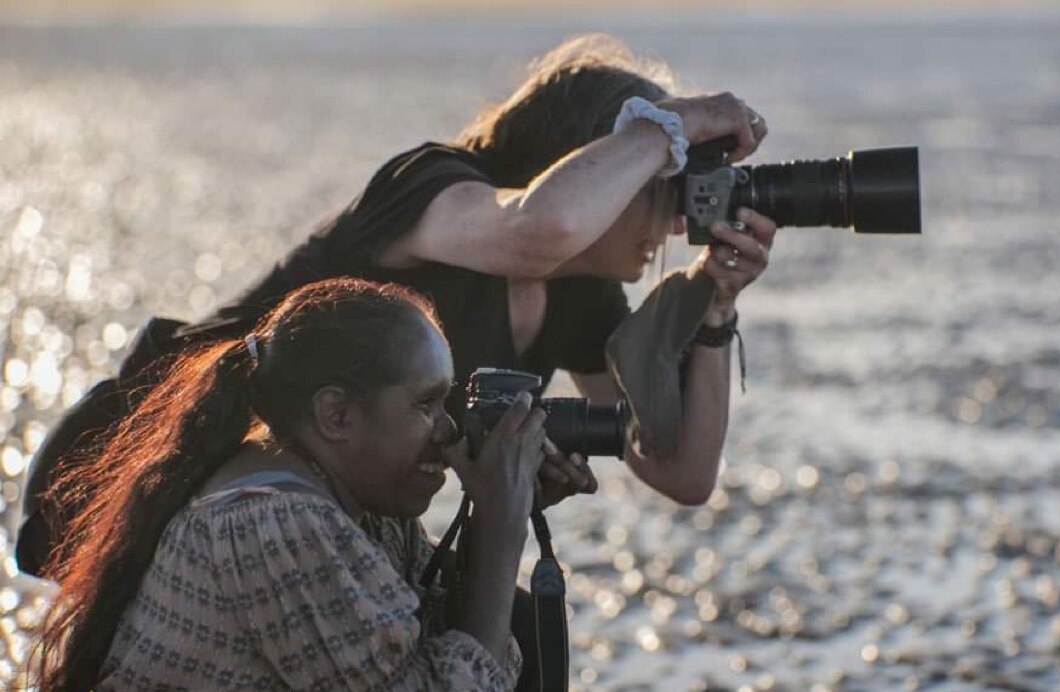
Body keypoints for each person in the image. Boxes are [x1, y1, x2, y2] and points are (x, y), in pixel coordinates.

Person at [20, 32, 776, 575]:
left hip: (284, 535)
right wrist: (671, 125)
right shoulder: (430, 188)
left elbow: (680, 471)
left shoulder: (577, 296)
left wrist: (714, 311)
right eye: (657, 184)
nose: (677, 220)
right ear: (584, 165)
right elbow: (539, 228)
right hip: (129, 476)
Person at [35, 277, 549, 691]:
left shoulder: (341, 498)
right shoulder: (273, 524)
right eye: (425, 405)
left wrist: (499, 502)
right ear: (337, 415)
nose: (449, 430)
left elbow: (441, 633)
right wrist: (502, 534)